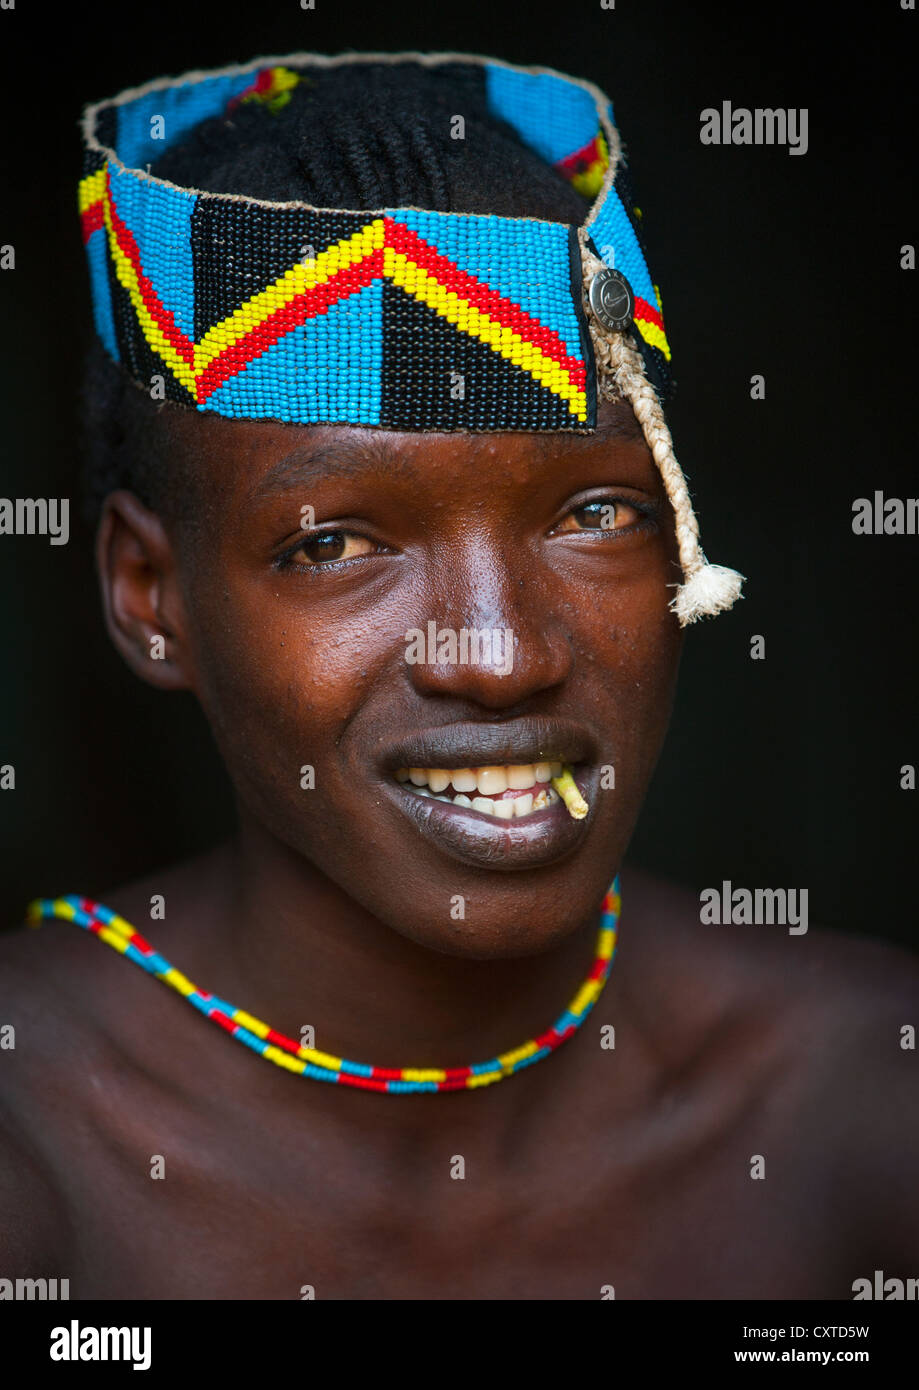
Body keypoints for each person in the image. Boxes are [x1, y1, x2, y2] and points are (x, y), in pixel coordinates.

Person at [0, 52, 916, 1301]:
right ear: (149, 597)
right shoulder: (40, 1147)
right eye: (335, 543)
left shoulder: (857, 1096)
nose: (502, 655)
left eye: (593, 513)